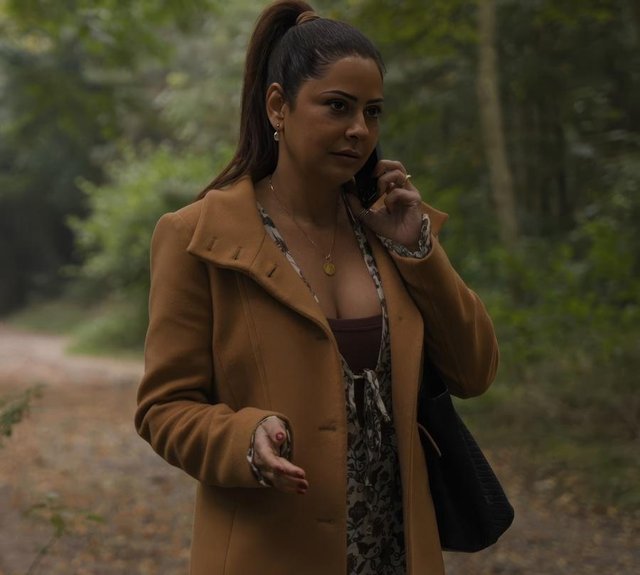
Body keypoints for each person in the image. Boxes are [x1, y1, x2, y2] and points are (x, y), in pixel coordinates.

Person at [135, 1, 499, 574]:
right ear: (278, 106)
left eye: (372, 112)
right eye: (337, 106)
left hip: (396, 556)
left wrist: (419, 252)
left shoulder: (389, 230)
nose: (359, 130)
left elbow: (474, 371)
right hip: (268, 555)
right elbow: (164, 409)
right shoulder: (197, 237)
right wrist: (243, 436)